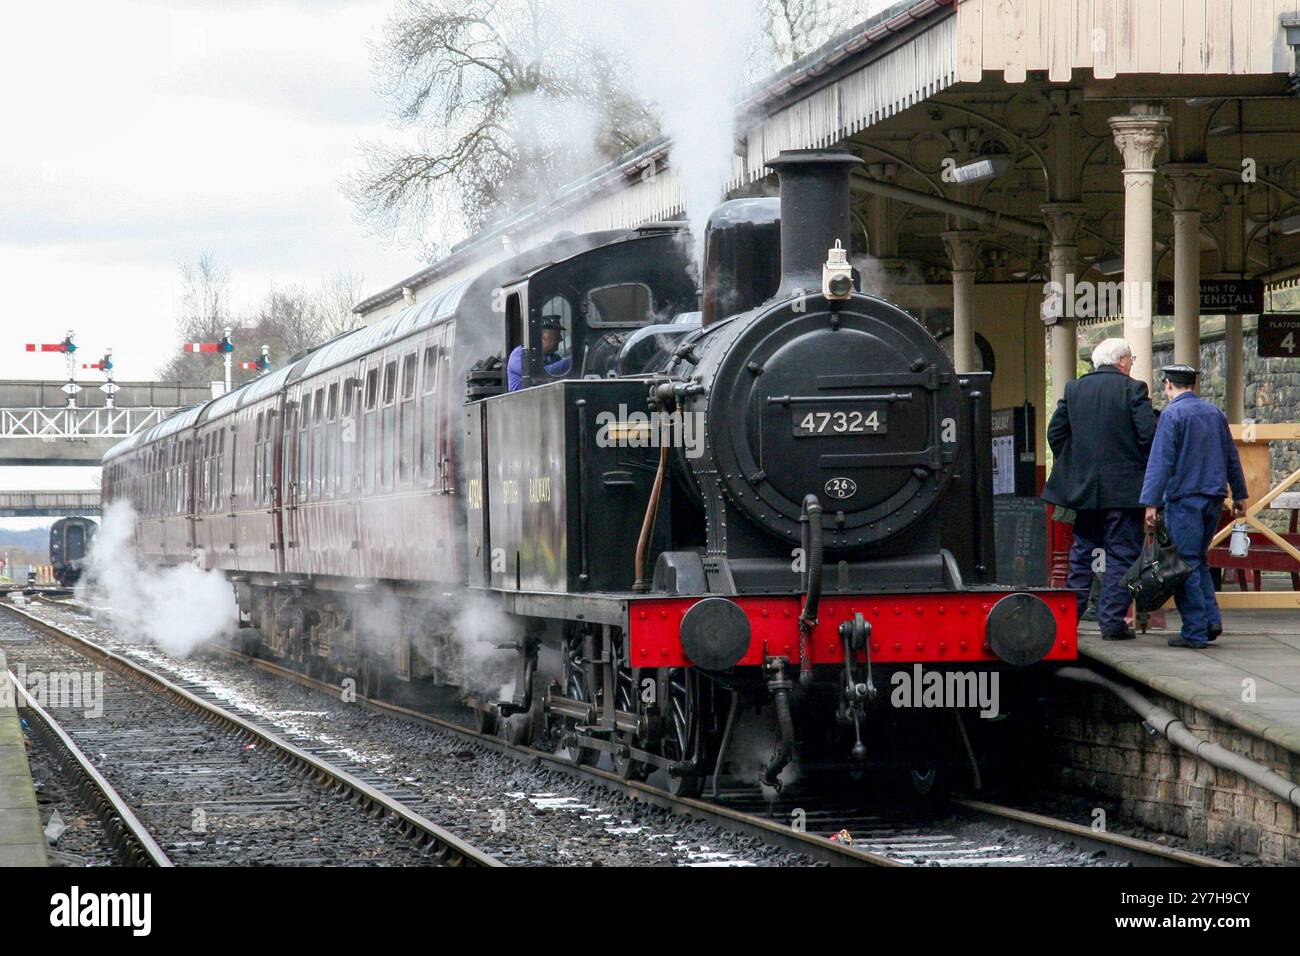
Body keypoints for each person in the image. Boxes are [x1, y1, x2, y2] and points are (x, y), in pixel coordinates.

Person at [1042, 338, 1157, 640]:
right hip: (1124, 492)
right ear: (1121, 361)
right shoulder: (1133, 389)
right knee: (1121, 554)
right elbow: (1149, 437)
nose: (1132, 363)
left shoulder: (1074, 389)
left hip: (1083, 492)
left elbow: (1056, 433)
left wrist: (1074, 465)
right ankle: (1111, 622)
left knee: (1082, 553)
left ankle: (1069, 621)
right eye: (1131, 358)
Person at [1139, 364, 1249, 649]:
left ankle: (1195, 631)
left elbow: (1161, 460)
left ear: (1167, 384)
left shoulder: (1171, 414)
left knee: (1184, 564)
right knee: (1199, 560)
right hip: (1214, 497)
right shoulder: (1215, 413)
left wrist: (1151, 502)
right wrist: (1239, 494)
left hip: (1184, 499)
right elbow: (1231, 456)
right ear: (1193, 384)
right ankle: (1211, 622)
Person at [507, 317, 572, 391]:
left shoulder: (553, 357)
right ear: (542, 336)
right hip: (522, 400)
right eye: (557, 336)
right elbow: (539, 375)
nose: (561, 339)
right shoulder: (519, 354)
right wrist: (571, 361)